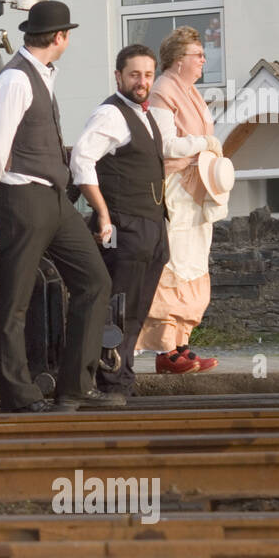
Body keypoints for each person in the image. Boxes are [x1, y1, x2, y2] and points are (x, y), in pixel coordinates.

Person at [0, 0, 120, 413]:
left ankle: (75, 388)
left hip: (53, 198)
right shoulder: (15, 81)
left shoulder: (40, 75)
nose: (69, 39)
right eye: (68, 34)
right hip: (21, 195)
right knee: (16, 301)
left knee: (95, 281)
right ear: (59, 37)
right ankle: (19, 395)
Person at [70, 43, 223, 397]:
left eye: (148, 75)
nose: (142, 82)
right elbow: (81, 160)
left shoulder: (145, 113)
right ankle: (107, 382)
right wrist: (103, 212)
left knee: (137, 310)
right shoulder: (110, 115)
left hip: (152, 226)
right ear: (119, 76)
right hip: (125, 226)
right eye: (134, 74)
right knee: (117, 308)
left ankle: (122, 379)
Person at [136, 26, 227, 373]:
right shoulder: (163, 91)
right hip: (175, 187)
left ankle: (183, 345)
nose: (204, 60)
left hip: (197, 188)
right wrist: (204, 144)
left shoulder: (192, 92)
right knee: (173, 265)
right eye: (197, 55)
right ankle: (165, 352)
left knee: (193, 263)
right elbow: (164, 145)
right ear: (177, 60)